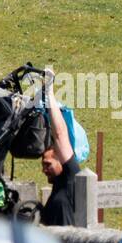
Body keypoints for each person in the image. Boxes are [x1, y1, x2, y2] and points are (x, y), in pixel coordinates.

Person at [39, 91, 79, 226]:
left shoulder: (70, 178)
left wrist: (49, 93)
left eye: (47, 164)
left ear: (61, 160)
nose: (44, 170)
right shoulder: (58, 187)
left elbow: (60, 134)